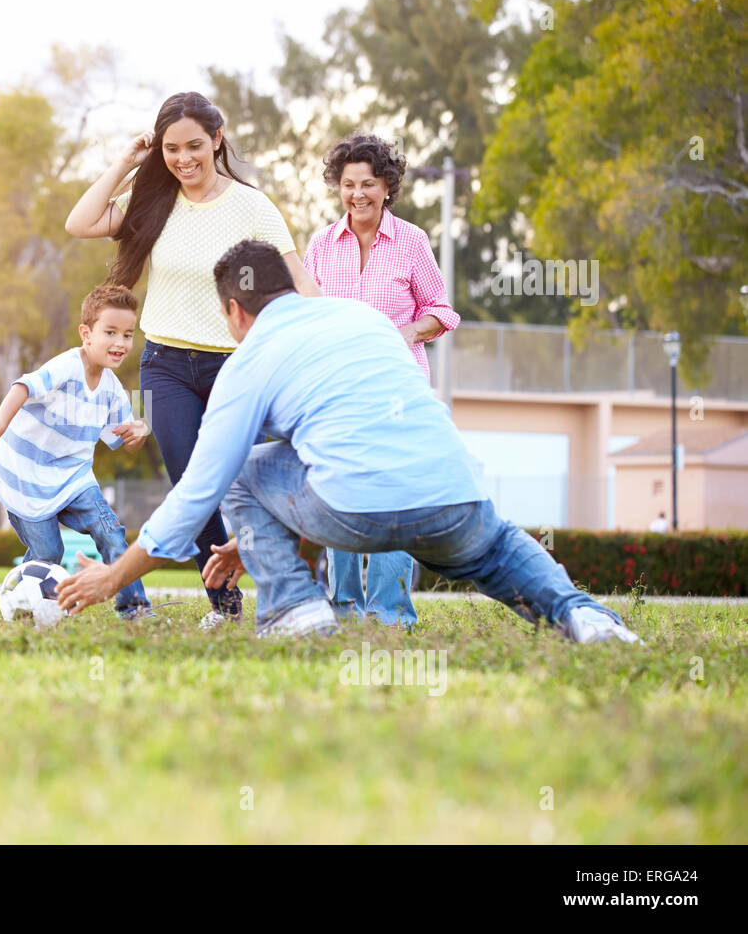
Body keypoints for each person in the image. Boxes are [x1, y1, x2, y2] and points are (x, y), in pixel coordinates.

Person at [57, 240, 642, 646]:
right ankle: (586, 618)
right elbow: (358, 442)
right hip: (451, 497)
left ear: (234, 311)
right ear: (289, 287)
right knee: (498, 549)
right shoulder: (365, 321)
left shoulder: (248, 362)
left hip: (352, 513)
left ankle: (294, 608)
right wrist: (256, 536)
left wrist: (113, 577)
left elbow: (200, 491)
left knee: (237, 468)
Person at [65, 91, 318, 630]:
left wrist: (330, 337)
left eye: (195, 146)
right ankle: (226, 610)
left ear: (217, 140)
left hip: (237, 364)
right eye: (172, 149)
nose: (184, 159)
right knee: (191, 484)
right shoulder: (154, 200)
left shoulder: (252, 205)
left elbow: (301, 282)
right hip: (165, 365)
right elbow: (80, 223)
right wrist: (125, 163)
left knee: (239, 485)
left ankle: (284, 595)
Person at [304, 133, 461, 627]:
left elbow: (441, 310)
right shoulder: (321, 246)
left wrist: (408, 330)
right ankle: (345, 605)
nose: (358, 195)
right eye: (348, 184)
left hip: (399, 388)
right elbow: (308, 316)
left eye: (368, 184)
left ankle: (392, 611)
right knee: (343, 493)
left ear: (387, 187)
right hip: (339, 390)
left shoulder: (411, 241)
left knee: (396, 494)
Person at [0, 284, 154, 619]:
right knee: (48, 552)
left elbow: (127, 439)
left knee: (112, 533)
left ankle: (134, 609)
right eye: (110, 332)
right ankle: (24, 606)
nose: (120, 343)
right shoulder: (67, 366)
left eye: (127, 334)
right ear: (86, 333)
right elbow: (22, 386)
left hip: (73, 476)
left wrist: (141, 430)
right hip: (26, 474)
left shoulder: (113, 392)